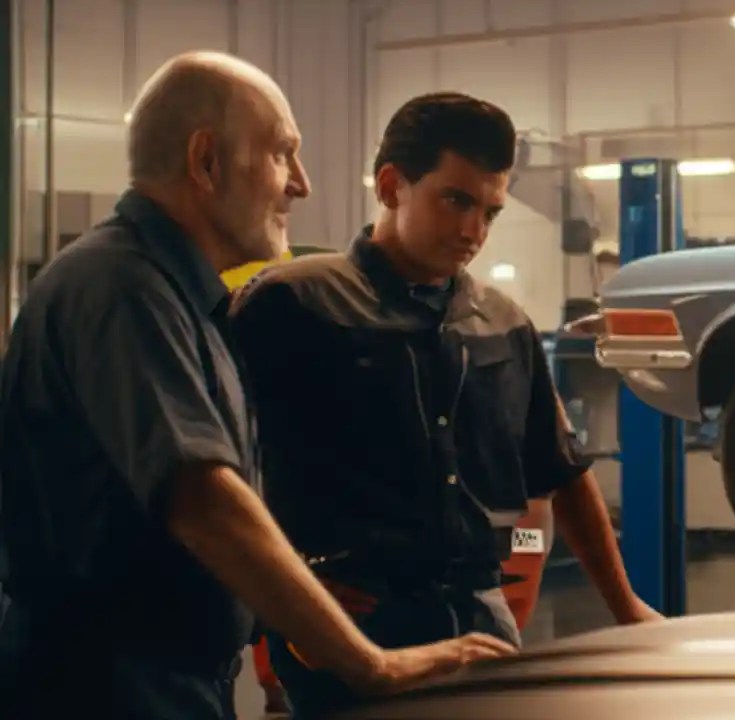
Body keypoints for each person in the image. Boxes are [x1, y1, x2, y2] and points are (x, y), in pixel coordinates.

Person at [0, 53, 513, 720]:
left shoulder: (187, 302)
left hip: (172, 681)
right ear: (206, 162)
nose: (300, 184)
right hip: (102, 689)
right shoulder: (121, 287)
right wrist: (371, 663)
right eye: (282, 154)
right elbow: (202, 498)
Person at [229, 91, 662, 717]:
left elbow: (560, 470)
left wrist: (626, 607)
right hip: (350, 621)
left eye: (489, 211)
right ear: (390, 186)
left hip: (481, 613)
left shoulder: (503, 323)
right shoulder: (293, 306)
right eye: (455, 200)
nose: (473, 231)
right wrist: (286, 591)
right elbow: (221, 472)